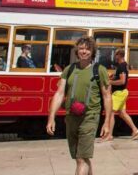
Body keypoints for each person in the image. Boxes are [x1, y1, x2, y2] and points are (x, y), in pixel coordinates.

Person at [46, 37, 112, 175]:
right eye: (81, 48)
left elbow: (107, 96)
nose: (84, 51)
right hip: (71, 117)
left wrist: (107, 123)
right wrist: (51, 118)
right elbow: (59, 93)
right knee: (80, 157)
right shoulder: (69, 69)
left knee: (82, 158)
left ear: (93, 51)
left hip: (90, 117)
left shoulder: (99, 70)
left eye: (88, 49)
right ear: (77, 50)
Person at [102, 49, 138, 142]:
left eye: (116, 55)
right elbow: (120, 77)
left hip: (119, 93)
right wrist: (113, 76)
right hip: (121, 92)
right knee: (122, 113)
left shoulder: (122, 66)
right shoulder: (122, 66)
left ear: (119, 55)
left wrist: (110, 82)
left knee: (111, 112)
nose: (115, 57)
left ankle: (109, 135)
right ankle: (135, 131)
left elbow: (122, 81)